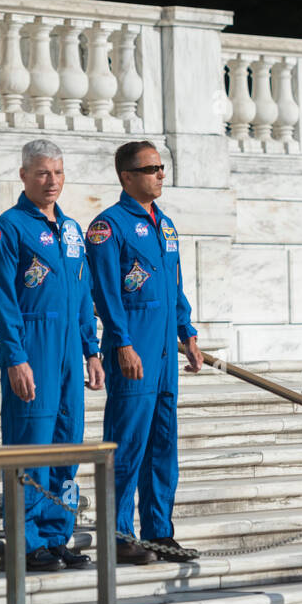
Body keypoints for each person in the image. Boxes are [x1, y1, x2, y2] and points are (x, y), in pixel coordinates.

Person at [0, 139, 105, 572]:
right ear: (23, 176)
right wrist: (16, 357)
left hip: (72, 350)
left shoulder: (71, 229)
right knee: (31, 446)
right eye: (41, 173)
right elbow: (4, 301)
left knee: (66, 445)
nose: (51, 182)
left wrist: (92, 350)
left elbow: (83, 293)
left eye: (57, 172)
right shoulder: (7, 229)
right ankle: (27, 540)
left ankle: (56, 535)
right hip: (33, 347)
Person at [86, 141, 204, 564]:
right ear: (126, 176)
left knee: (162, 444)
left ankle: (160, 532)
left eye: (161, 166)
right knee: (127, 443)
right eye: (150, 168)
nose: (160, 174)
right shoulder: (108, 226)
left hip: (164, 354)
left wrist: (187, 332)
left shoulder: (166, 225)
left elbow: (174, 285)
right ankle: (118, 534)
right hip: (132, 347)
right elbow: (103, 291)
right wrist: (121, 341)